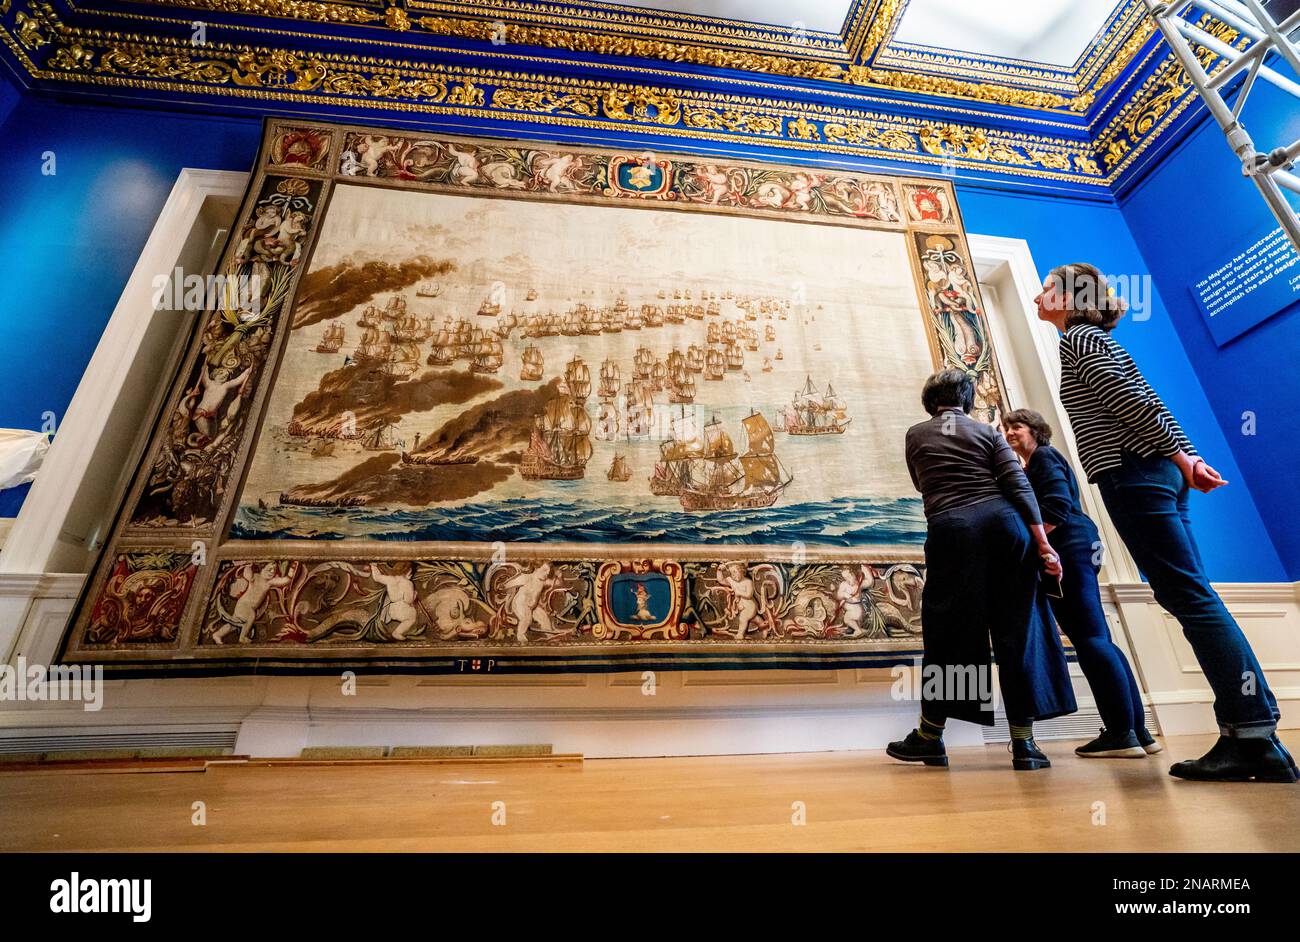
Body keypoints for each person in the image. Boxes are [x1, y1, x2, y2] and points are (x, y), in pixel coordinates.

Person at [1036, 262, 1295, 783]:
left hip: (1133, 475)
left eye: (1047, 286)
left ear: (1069, 295)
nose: (1038, 293)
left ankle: (1253, 737)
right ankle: (1254, 734)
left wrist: (1180, 457)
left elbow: (1134, 404)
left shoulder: (1079, 340)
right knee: (1195, 596)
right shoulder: (1091, 339)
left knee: (1190, 599)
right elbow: (1147, 400)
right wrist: (1185, 459)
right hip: (1153, 472)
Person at [888, 369, 1076, 771]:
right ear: (968, 399)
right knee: (1019, 631)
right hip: (1007, 528)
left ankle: (930, 737)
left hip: (953, 530)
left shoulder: (916, 434)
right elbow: (1019, 487)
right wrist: (1044, 544)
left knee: (951, 633)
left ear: (930, 401)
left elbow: (922, 485)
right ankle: (1025, 746)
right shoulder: (988, 433)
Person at [1002, 407, 1158, 758]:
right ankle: (1138, 731)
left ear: (1036, 430)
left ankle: (1121, 734)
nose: (1010, 432)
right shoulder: (1037, 461)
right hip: (1079, 545)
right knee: (1099, 638)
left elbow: (1056, 507)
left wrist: (1037, 545)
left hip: (1069, 547)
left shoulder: (1043, 457)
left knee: (1089, 639)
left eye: (1017, 426)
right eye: (1006, 428)